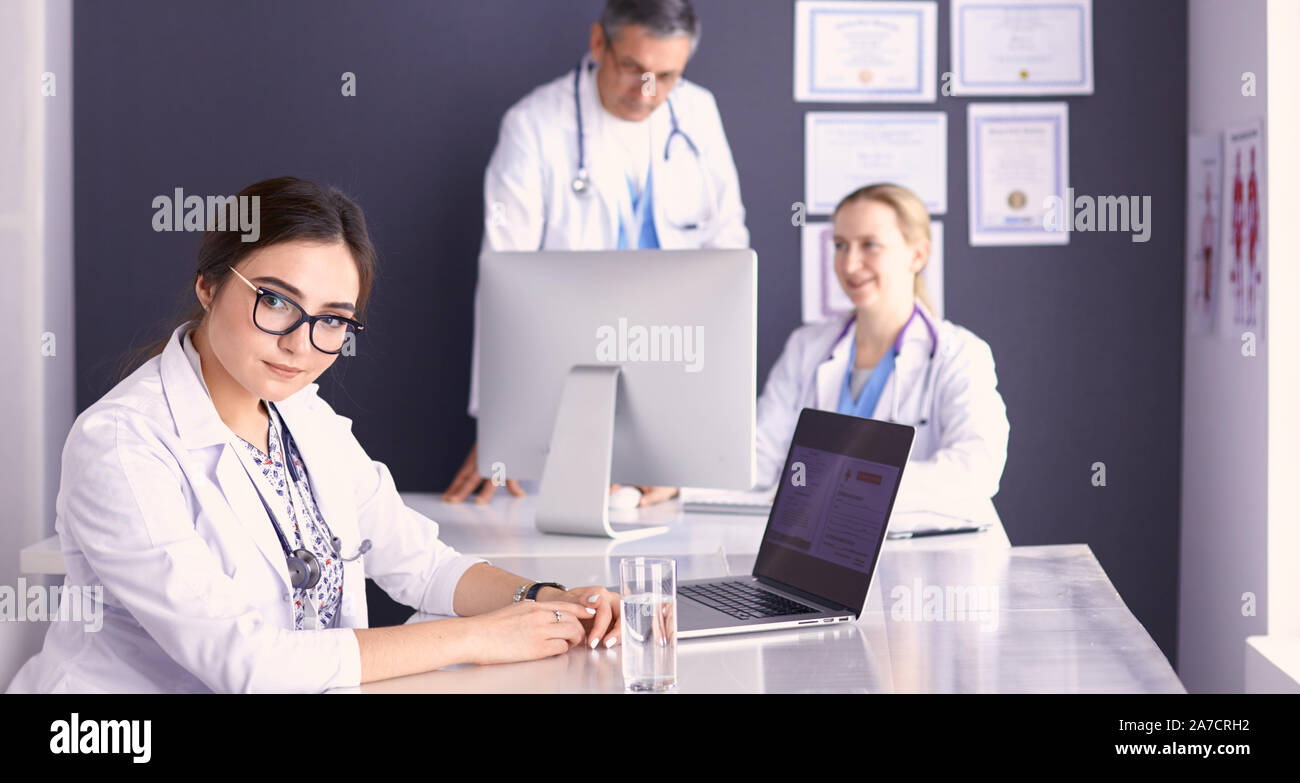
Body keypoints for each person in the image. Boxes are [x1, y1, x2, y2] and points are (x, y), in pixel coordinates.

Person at [7, 177, 622, 694]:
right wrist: (478, 639)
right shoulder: (121, 444)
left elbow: (422, 566)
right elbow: (243, 660)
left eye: (332, 320)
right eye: (275, 301)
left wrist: (546, 601)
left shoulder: (301, 412)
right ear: (209, 284)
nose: (301, 343)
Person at [443, 0, 748, 506]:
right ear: (598, 43)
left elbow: (731, 261)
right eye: (634, 68)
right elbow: (504, 278)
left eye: (667, 76)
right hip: (565, 393)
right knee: (569, 562)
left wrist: (717, 408)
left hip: (674, 380)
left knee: (672, 562)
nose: (648, 92)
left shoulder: (698, 113)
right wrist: (506, 426)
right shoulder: (535, 125)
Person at [752, 184, 1011, 541]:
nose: (849, 264)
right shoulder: (806, 347)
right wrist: (682, 486)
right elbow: (762, 455)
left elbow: (976, 469)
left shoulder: (960, 353)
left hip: (924, 560)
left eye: (869, 245)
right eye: (840, 245)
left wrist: (848, 481)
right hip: (817, 551)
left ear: (917, 255)